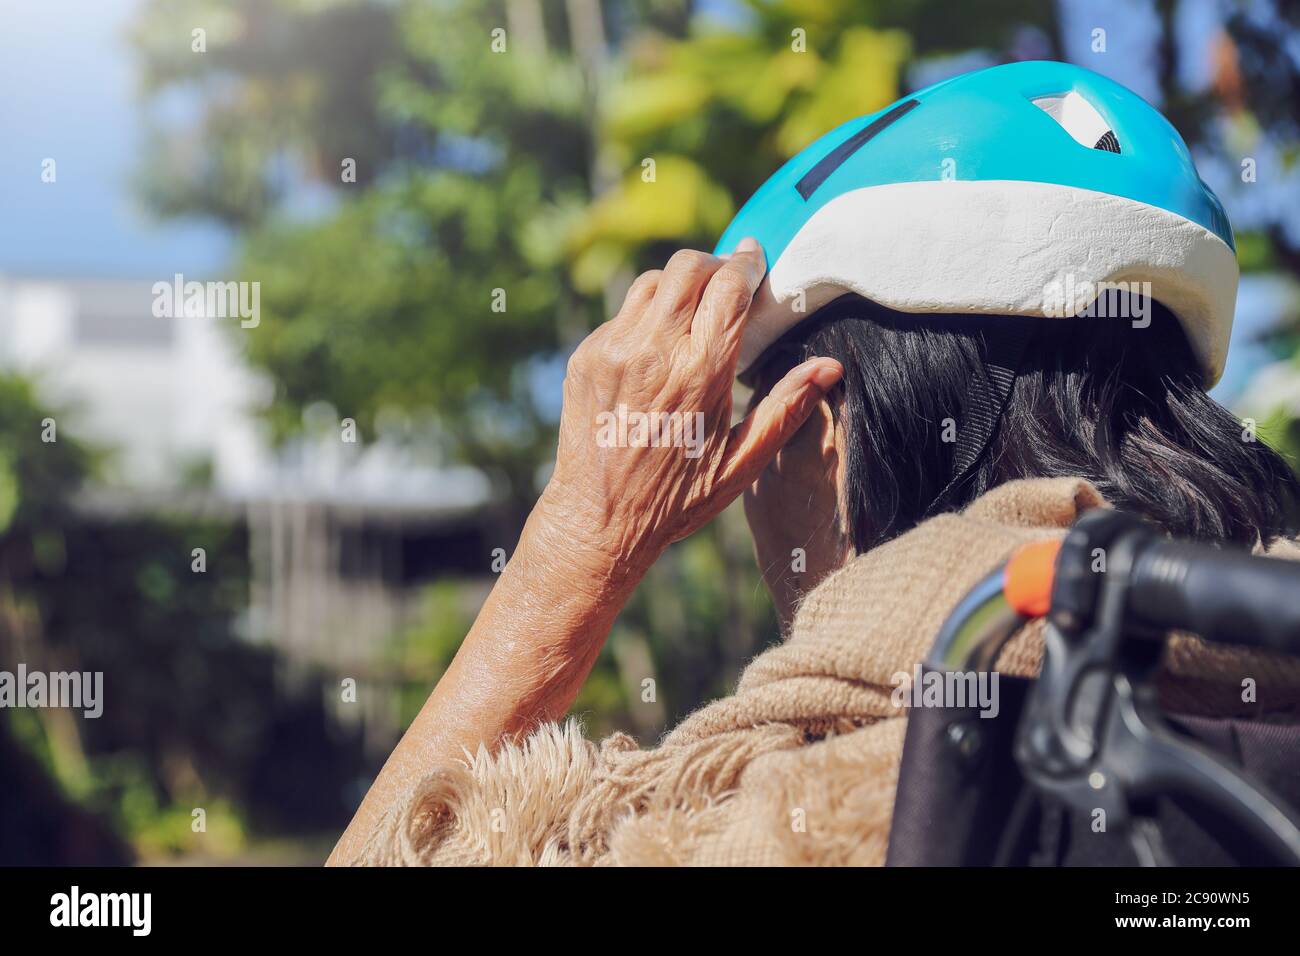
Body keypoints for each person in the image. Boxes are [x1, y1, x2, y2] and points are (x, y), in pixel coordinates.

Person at [328, 61, 1300, 866]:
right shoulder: (1259, 709)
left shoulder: (783, 818)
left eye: (761, 426)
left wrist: (579, 541)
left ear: (821, 432)